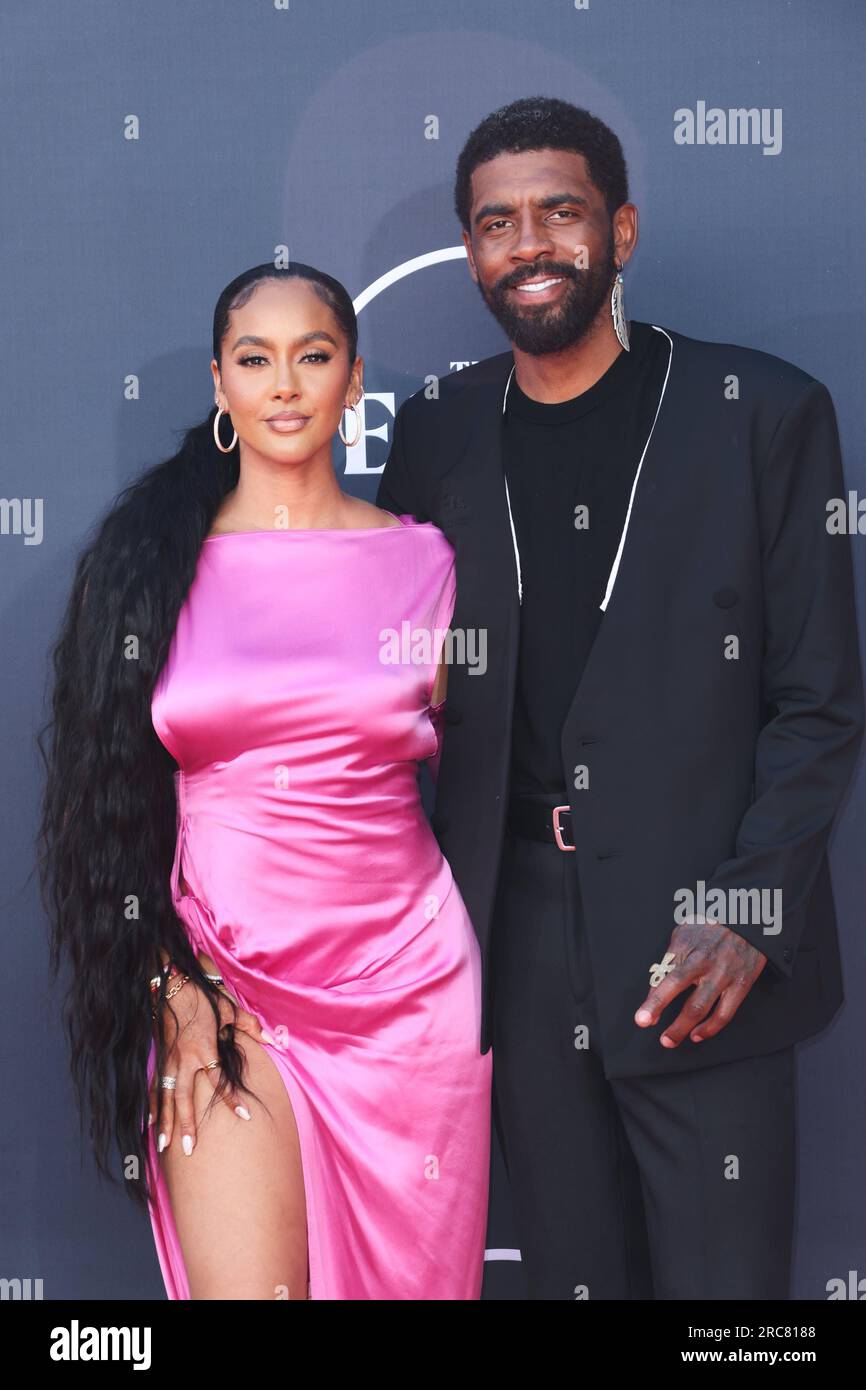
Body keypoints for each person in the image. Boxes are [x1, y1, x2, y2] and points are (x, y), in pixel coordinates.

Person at [376, 96, 864, 1299]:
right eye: (496, 222)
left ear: (621, 231)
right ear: (469, 251)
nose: (528, 245)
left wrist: (744, 909)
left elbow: (818, 697)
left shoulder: (761, 412)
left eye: (560, 211)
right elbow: (387, 682)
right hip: (515, 936)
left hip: (702, 938)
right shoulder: (436, 432)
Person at [38, 262, 491, 1300]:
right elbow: (109, 820)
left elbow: (504, 772)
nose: (284, 385)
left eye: (312, 356)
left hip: (411, 995)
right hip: (218, 987)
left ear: (353, 379)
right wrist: (172, 988)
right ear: (219, 382)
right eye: (254, 359)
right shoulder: (147, 571)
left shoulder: (428, 566)